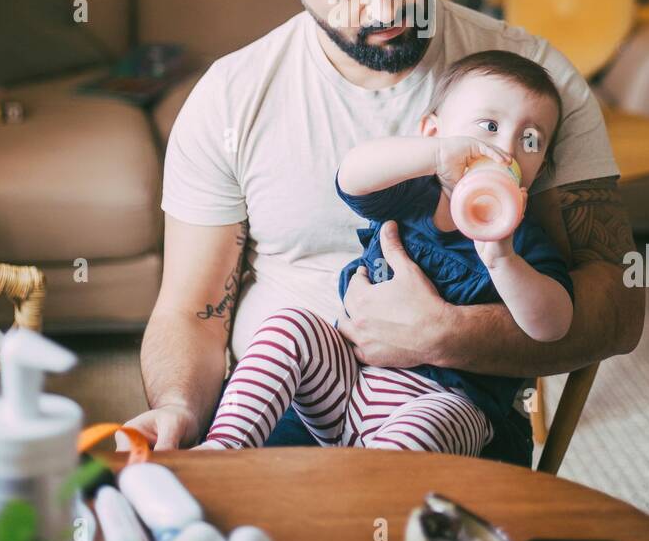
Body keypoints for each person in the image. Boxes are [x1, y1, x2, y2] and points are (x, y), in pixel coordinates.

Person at [121, 0, 641, 466]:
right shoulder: (232, 97)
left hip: (451, 417)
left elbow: (619, 306)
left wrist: (446, 336)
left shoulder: (530, 85)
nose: (384, 6)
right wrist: (177, 407)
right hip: (290, 408)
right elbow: (192, 313)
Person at [194, 51, 572, 455]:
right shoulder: (411, 197)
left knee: (436, 423)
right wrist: (436, 156)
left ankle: (366, 493)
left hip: (445, 403)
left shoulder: (522, 242)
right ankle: (224, 448)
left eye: (530, 140)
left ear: (541, 167)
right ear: (433, 133)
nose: (506, 148)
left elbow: (553, 325)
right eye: (489, 126)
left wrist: (504, 261)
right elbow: (352, 176)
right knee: (289, 327)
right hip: (347, 383)